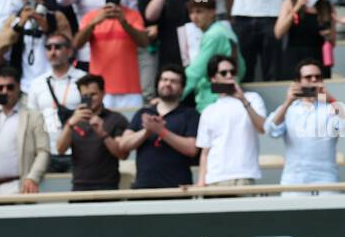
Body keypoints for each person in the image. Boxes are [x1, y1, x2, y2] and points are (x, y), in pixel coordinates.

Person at [72, 0, 147, 111]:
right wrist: (94, 23)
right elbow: (77, 44)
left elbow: (144, 43)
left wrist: (124, 22)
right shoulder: (91, 17)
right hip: (100, 92)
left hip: (130, 89)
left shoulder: (133, 16)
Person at [264, 60, 344, 188]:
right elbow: (270, 130)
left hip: (326, 180)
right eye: (308, 77)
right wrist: (287, 102)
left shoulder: (331, 108)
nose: (314, 80)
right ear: (298, 82)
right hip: (293, 180)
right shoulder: (289, 108)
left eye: (318, 77)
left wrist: (331, 99)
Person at [119, 66, 199, 190]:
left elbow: (191, 149)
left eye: (173, 81)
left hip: (177, 189)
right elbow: (123, 145)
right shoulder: (143, 113)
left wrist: (161, 131)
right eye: (164, 79)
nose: (167, 83)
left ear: (182, 88)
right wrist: (147, 131)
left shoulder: (190, 114)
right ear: (157, 84)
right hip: (143, 188)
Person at [196, 54, 267, 188]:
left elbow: (262, 128)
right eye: (224, 73)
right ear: (213, 79)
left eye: (233, 72)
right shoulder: (208, 111)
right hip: (214, 179)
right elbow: (205, 151)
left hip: (243, 175)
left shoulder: (253, 98)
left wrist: (243, 100)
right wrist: (201, 182)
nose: (229, 75)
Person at [54, 73, 127, 192]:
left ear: (103, 93)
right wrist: (70, 125)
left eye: (93, 94)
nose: (89, 99)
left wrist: (103, 133)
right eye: (85, 96)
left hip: (107, 188)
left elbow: (122, 154)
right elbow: (60, 149)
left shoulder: (116, 119)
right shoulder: (73, 120)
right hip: (79, 187)